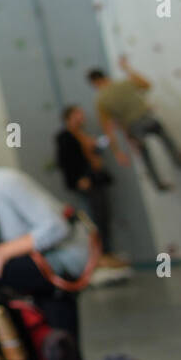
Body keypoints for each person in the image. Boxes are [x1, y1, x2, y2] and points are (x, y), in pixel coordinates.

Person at [0, 134, 113, 337]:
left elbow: (57, 227)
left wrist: (1, 252)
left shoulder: (1, 180)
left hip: (65, 256)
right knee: (60, 344)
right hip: (43, 264)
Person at [88, 56, 181, 192]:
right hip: (147, 118)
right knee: (162, 133)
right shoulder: (124, 84)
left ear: (94, 83)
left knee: (145, 155)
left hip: (133, 128)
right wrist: (126, 69)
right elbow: (147, 85)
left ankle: (158, 183)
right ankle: (178, 157)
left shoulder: (101, 101)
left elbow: (108, 129)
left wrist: (118, 152)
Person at [55, 104, 128, 267]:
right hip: (84, 181)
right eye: (77, 114)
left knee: (103, 216)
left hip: (96, 178)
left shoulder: (84, 135)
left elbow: (95, 153)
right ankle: (97, 256)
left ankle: (107, 253)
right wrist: (78, 178)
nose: (82, 117)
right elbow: (65, 160)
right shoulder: (65, 137)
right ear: (69, 118)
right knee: (93, 218)